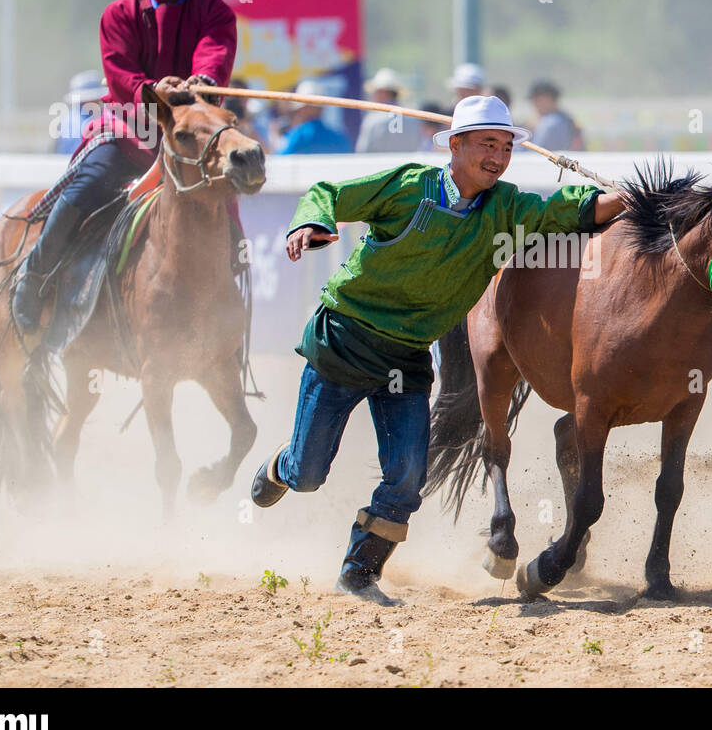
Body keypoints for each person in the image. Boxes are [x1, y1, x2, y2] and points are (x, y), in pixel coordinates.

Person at [250, 95, 627, 604]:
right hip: (344, 341)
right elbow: (328, 191)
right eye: (486, 144)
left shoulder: (509, 207)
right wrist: (308, 221)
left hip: (405, 359)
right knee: (309, 474)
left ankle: (359, 575)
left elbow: (573, 208)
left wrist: (627, 195)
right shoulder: (409, 186)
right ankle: (285, 465)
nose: (497, 156)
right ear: (455, 145)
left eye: (506, 146)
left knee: (407, 479)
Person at [11, 0, 237, 334]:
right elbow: (119, 74)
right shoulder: (118, 14)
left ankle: (231, 304)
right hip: (129, 131)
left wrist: (201, 84)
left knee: (227, 205)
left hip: (188, 135)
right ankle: (35, 277)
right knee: (89, 183)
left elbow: (214, 55)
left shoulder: (215, 12)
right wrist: (155, 92)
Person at [355, 67, 425, 153]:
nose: (373, 95)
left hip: (378, 166)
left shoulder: (373, 120)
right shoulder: (414, 119)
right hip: (407, 166)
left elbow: (363, 151)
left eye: (375, 91)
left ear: (383, 93)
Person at [276, 78, 354, 155]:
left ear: (305, 108)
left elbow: (280, 158)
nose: (299, 112)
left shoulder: (299, 136)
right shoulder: (338, 137)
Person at [528, 80, 583, 152]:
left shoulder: (549, 124)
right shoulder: (566, 119)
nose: (534, 104)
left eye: (536, 99)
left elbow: (534, 151)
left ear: (548, 99)